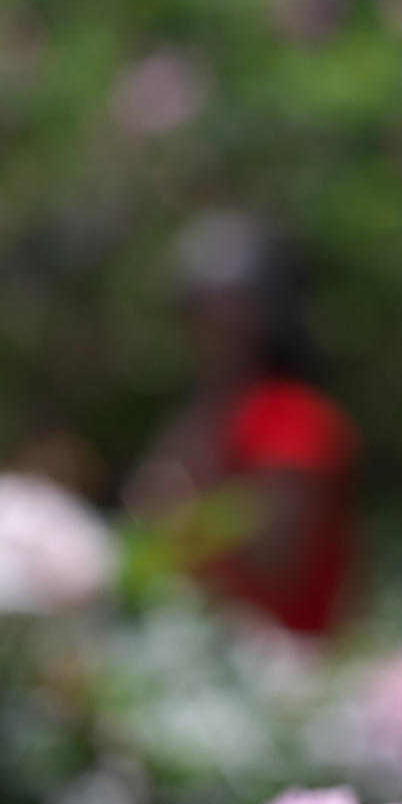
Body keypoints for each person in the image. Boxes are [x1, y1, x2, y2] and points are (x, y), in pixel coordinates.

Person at [125, 211, 357, 634]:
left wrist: (183, 518)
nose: (201, 329)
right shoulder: (206, 409)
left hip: (280, 661)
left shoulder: (290, 415)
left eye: (215, 309)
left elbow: (279, 558)